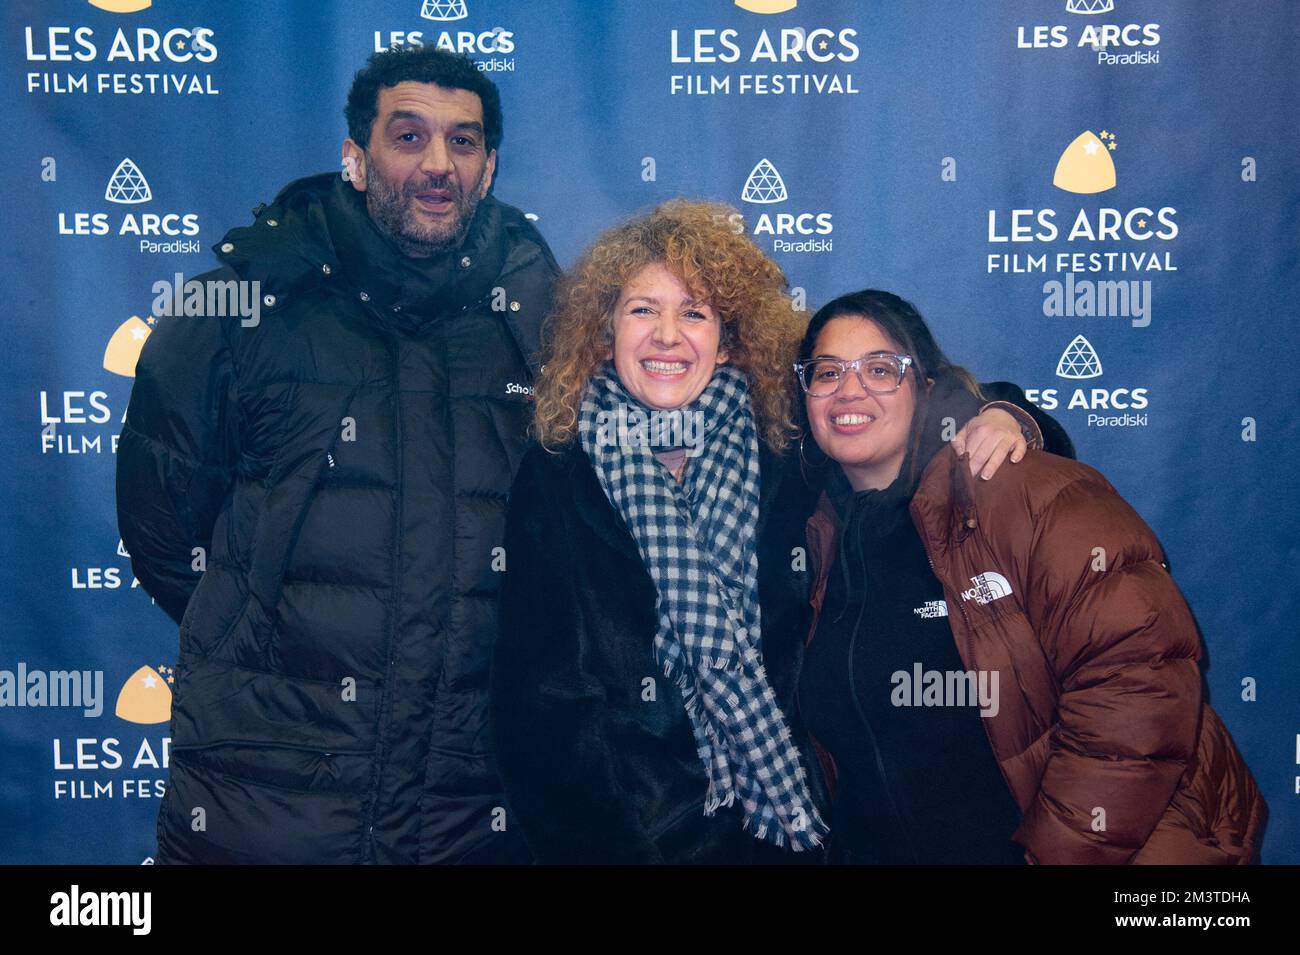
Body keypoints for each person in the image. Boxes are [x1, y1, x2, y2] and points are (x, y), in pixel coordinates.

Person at [488, 201, 1052, 863]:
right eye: (643, 310)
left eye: (694, 312)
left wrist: (1007, 416)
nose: (667, 335)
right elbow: (539, 710)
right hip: (628, 842)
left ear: (727, 339)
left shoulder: (784, 450)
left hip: (785, 837)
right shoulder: (558, 474)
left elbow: (911, 419)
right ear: (604, 331)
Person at [116, 45, 558, 864]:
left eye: (463, 143)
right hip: (267, 799)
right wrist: (272, 645)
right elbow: (160, 531)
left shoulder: (540, 316)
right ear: (356, 158)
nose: (438, 164)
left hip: (465, 809)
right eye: (409, 136)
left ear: (490, 168)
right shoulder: (240, 305)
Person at [795, 289, 1266, 864]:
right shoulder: (816, 533)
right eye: (826, 372)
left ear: (926, 386)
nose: (850, 390)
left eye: (880, 368)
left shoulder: (1021, 490)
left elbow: (1136, 688)